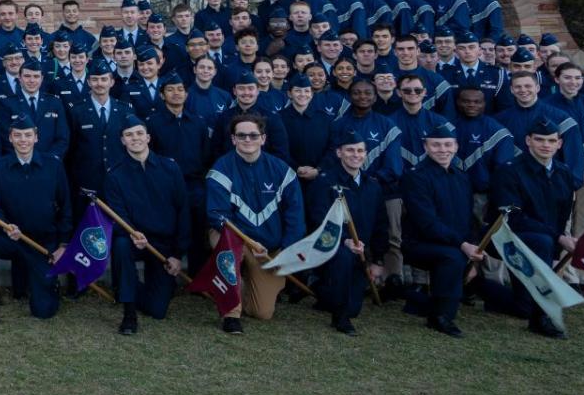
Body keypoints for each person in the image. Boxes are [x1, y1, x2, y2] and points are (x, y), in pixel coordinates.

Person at [0, 118, 69, 326]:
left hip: (41, 244)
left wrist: (63, 245)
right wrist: (4, 225)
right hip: (11, 238)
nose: (23, 140)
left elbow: (66, 208)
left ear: (36, 137)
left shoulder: (53, 166)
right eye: (17, 135)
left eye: (28, 135)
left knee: (43, 311)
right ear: (10, 138)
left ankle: (50, 286)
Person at [204, 112, 304, 333]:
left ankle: (232, 285)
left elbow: (295, 216)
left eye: (253, 135)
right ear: (233, 139)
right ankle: (231, 314)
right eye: (241, 135)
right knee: (229, 253)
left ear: (263, 138)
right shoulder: (220, 169)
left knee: (262, 312)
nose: (247, 140)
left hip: (268, 247)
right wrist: (248, 242)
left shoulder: (282, 171)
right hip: (233, 238)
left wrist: (285, 250)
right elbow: (217, 214)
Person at [490, 118, 582, 338]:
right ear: (528, 141)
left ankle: (481, 288)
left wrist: (560, 241)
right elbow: (514, 219)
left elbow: (562, 215)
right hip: (509, 239)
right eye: (539, 140)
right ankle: (542, 318)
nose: (545, 145)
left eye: (551, 141)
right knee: (542, 241)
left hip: (545, 243)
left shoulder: (563, 172)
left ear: (559, 144)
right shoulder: (509, 170)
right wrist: (558, 238)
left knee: (523, 307)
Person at [99, 114, 187, 335]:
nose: (135, 138)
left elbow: (183, 211)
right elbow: (118, 215)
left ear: (148, 137)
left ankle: (127, 286)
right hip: (134, 239)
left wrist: (177, 254)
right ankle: (129, 313)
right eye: (129, 135)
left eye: (139, 133)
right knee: (120, 245)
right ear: (123, 141)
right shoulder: (115, 175)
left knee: (157, 310)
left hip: (163, 244)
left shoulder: (170, 168)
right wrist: (131, 233)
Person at [304, 130, 389, 335]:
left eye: (360, 151)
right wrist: (344, 241)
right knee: (343, 260)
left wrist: (377, 260)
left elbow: (380, 225)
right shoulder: (324, 181)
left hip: (360, 252)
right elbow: (317, 219)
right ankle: (339, 319)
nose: (355, 155)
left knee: (354, 308)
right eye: (350, 150)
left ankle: (323, 292)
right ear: (339, 153)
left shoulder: (373, 186)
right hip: (330, 248)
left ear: (366, 154)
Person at [401, 124, 477, 337]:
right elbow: (427, 222)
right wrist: (462, 245)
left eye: (447, 145)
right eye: (436, 145)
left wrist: (474, 247)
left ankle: (419, 302)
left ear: (456, 146)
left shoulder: (462, 177)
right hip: (420, 243)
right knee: (453, 257)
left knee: (458, 257)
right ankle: (440, 317)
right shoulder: (415, 176)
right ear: (426, 147)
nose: (442, 150)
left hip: (453, 242)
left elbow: (468, 218)